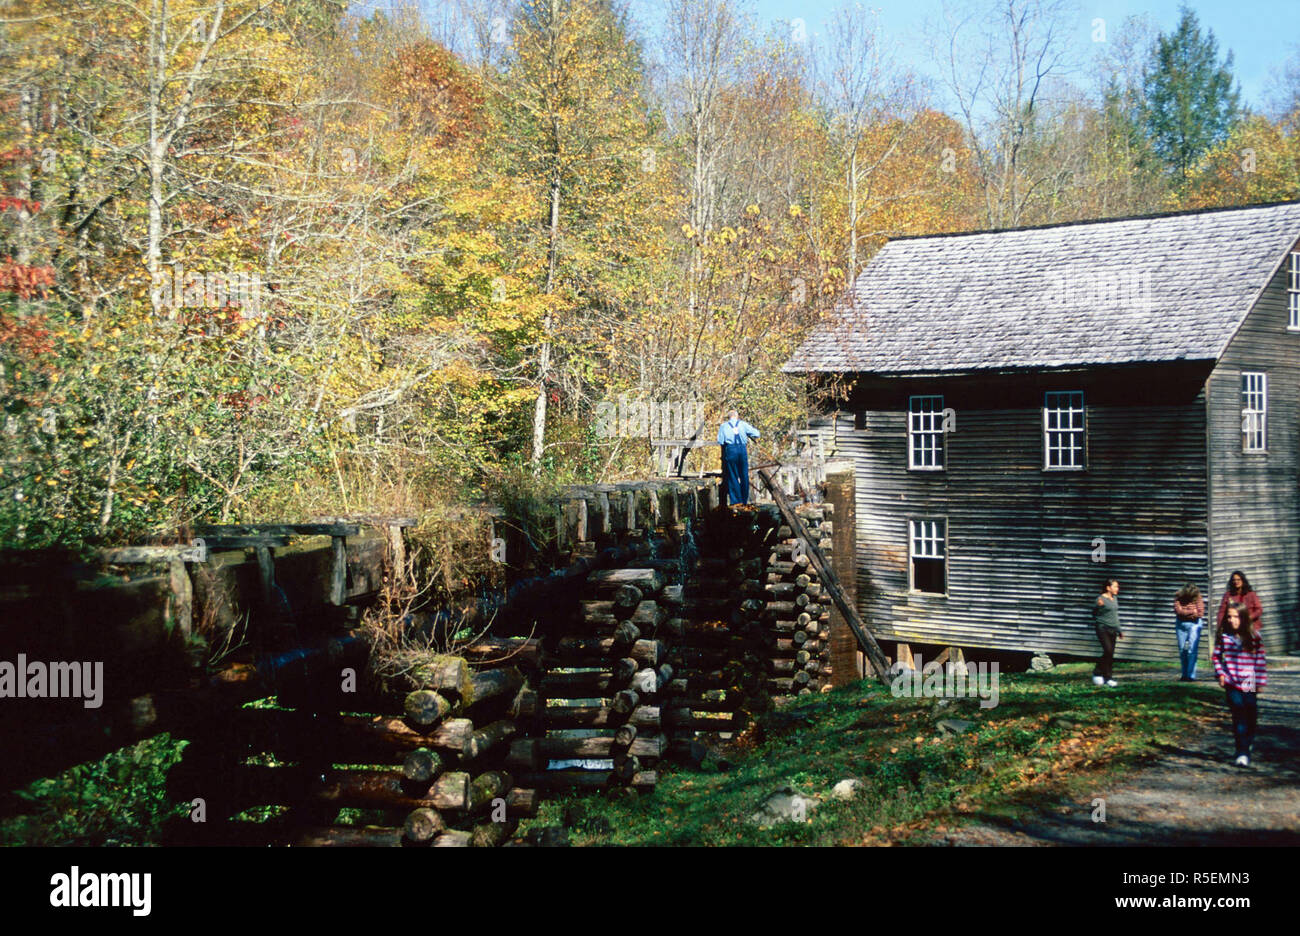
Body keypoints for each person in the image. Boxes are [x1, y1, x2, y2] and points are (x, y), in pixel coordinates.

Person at [1212, 601, 1267, 767]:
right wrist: (1220, 674)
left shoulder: (1254, 637)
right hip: (1231, 680)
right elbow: (1216, 657)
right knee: (1238, 713)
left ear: (1243, 618)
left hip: (1248, 680)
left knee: (1250, 712)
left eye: (1235, 617)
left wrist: (1260, 681)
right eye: (1229, 617)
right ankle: (1242, 751)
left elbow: (1260, 660)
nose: (1231, 620)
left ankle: (1247, 741)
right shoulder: (1224, 637)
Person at [717, 408, 760, 506]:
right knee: (744, 475)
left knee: (732, 476)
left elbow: (720, 440)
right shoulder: (743, 424)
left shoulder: (723, 426)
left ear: (729, 417)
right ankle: (745, 500)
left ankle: (736, 502)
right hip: (742, 450)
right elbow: (757, 434)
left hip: (731, 450)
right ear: (737, 416)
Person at [1092, 578, 1123, 688]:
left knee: (1110, 654)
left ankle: (1105, 675)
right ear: (1108, 588)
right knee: (1108, 650)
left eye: (1117, 587)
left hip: (1113, 629)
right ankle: (1101, 674)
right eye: (1115, 586)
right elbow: (1094, 613)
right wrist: (1098, 607)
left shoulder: (1114, 598)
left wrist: (1119, 630)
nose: (1117, 589)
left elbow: (1115, 615)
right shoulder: (1100, 599)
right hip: (1102, 628)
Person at [1173, 582, 1206, 681]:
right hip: (1181, 624)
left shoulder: (1198, 597)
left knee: (1191, 650)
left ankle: (1191, 675)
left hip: (1194, 624)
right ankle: (1184, 675)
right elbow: (1177, 611)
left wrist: (1184, 612)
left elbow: (1200, 613)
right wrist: (1191, 612)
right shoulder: (1178, 596)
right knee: (1183, 650)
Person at [1215, 571, 1262, 636]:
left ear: (1243, 580)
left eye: (1238, 579)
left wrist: (1248, 617)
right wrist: (1220, 627)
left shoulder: (1251, 594)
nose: (1236, 582)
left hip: (1250, 627)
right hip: (1233, 628)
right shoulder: (1228, 595)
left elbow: (1259, 610)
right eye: (1234, 580)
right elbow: (1222, 612)